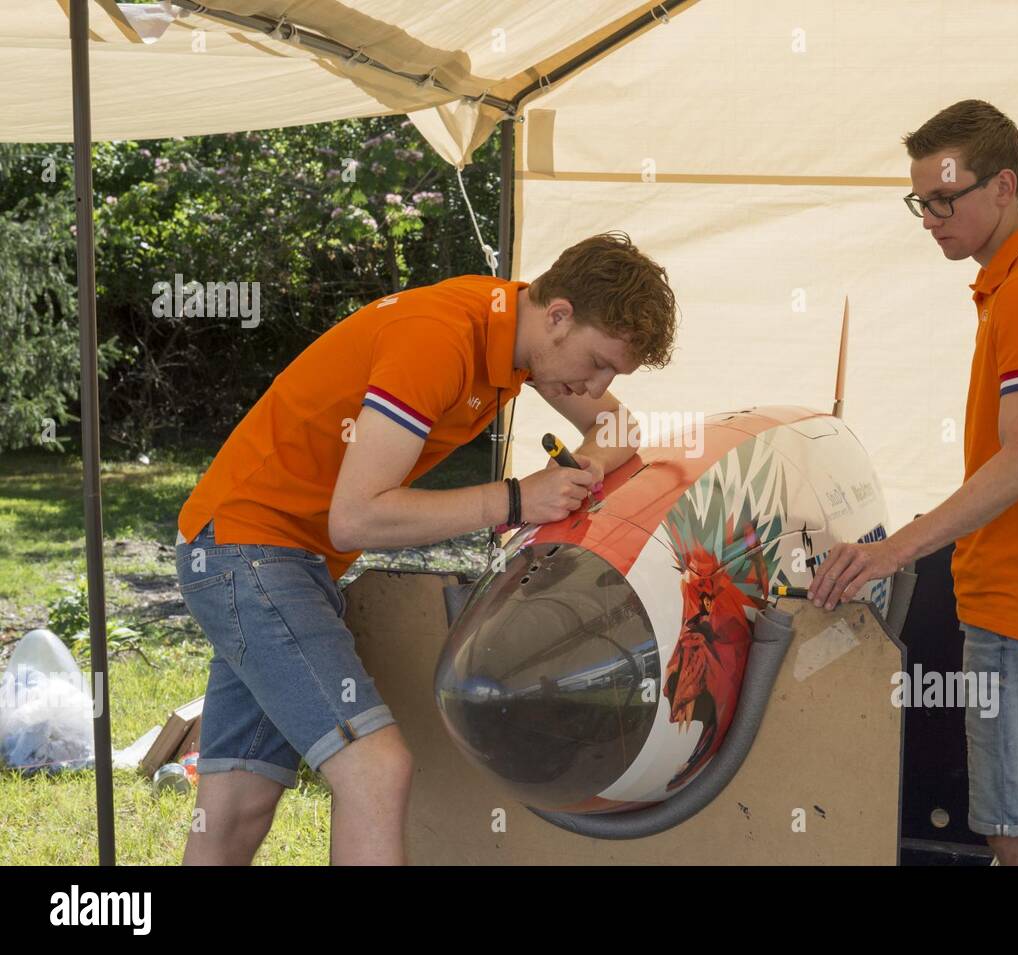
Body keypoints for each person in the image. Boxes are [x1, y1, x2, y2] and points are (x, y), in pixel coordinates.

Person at [174, 232, 678, 865]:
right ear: (558, 315)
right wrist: (518, 499)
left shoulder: (515, 336)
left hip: (273, 556)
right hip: (247, 552)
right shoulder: (439, 339)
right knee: (376, 769)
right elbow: (355, 518)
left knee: (235, 807)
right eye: (599, 363)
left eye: (613, 374)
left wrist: (579, 476)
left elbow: (620, 428)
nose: (597, 383)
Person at [807, 100, 1018, 865]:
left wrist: (891, 551)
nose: (930, 218)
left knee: (1016, 831)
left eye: (946, 199)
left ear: (1003, 186)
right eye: (921, 201)